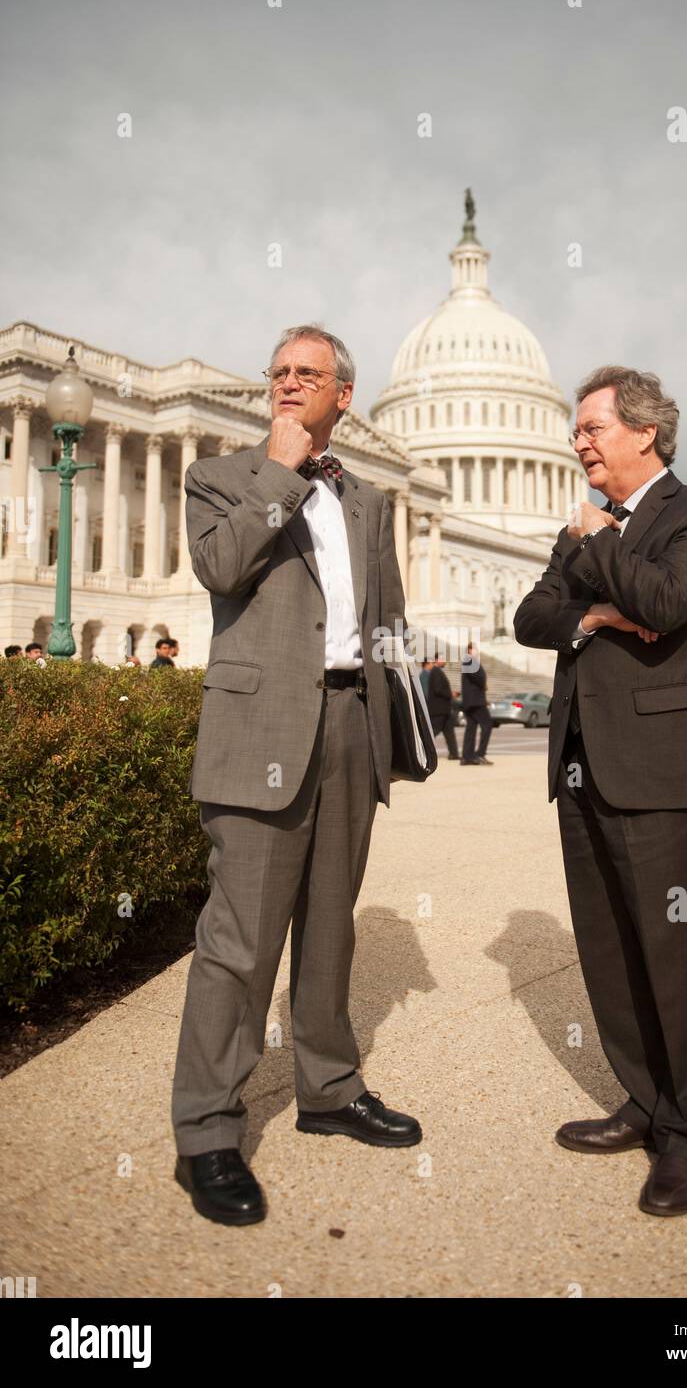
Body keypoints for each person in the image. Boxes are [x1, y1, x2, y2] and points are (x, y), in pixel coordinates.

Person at [172, 323, 421, 1227]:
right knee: (237, 944)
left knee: (330, 929)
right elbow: (220, 566)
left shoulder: (366, 500)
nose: (285, 384)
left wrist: (393, 733)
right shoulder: (222, 477)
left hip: (350, 725)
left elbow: (385, 620)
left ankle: (327, 1087)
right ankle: (205, 1132)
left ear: (342, 396)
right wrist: (279, 471)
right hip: (262, 726)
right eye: (276, 373)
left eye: (306, 375)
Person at [515, 365, 687, 1218]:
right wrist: (596, 617)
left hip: (662, 774)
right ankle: (645, 1104)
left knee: (678, 960)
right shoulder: (578, 529)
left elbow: (669, 600)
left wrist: (597, 548)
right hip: (580, 768)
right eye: (575, 431)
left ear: (644, 432)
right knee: (609, 955)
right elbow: (532, 619)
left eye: (591, 428)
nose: (578, 442)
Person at [460, 642, 493, 765]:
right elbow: (478, 678)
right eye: (474, 649)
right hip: (475, 702)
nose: (476, 651)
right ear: (469, 650)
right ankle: (480, 754)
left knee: (471, 728)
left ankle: (467, 756)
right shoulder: (469, 661)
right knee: (487, 725)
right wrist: (484, 683)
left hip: (472, 701)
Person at [426, 656, 460, 760]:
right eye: (442, 659)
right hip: (438, 709)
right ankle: (424, 752)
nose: (444, 661)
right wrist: (451, 694)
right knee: (433, 732)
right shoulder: (436, 671)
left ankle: (454, 754)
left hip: (444, 709)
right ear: (436, 660)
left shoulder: (437, 671)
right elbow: (438, 689)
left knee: (449, 731)